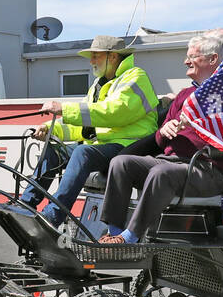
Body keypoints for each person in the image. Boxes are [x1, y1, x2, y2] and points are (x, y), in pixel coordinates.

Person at [98, 30, 223, 244]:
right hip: (170, 163)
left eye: (192, 57)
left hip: (204, 170)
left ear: (213, 59)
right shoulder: (183, 96)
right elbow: (160, 141)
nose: (185, 61)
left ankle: (131, 236)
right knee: (120, 162)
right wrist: (163, 132)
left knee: (160, 171)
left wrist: (197, 123)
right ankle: (114, 233)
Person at [18, 35, 159, 227]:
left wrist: (64, 109)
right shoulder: (97, 85)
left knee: (82, 152)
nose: (91, 61)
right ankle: (25, 206)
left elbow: (114, 113)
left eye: (96, 56)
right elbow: (84, 124)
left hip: (130, 146)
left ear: (114, 57)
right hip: (103, 146)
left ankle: (52, 216)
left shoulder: (136, 77)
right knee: (53, 150)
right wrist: (51, 130)